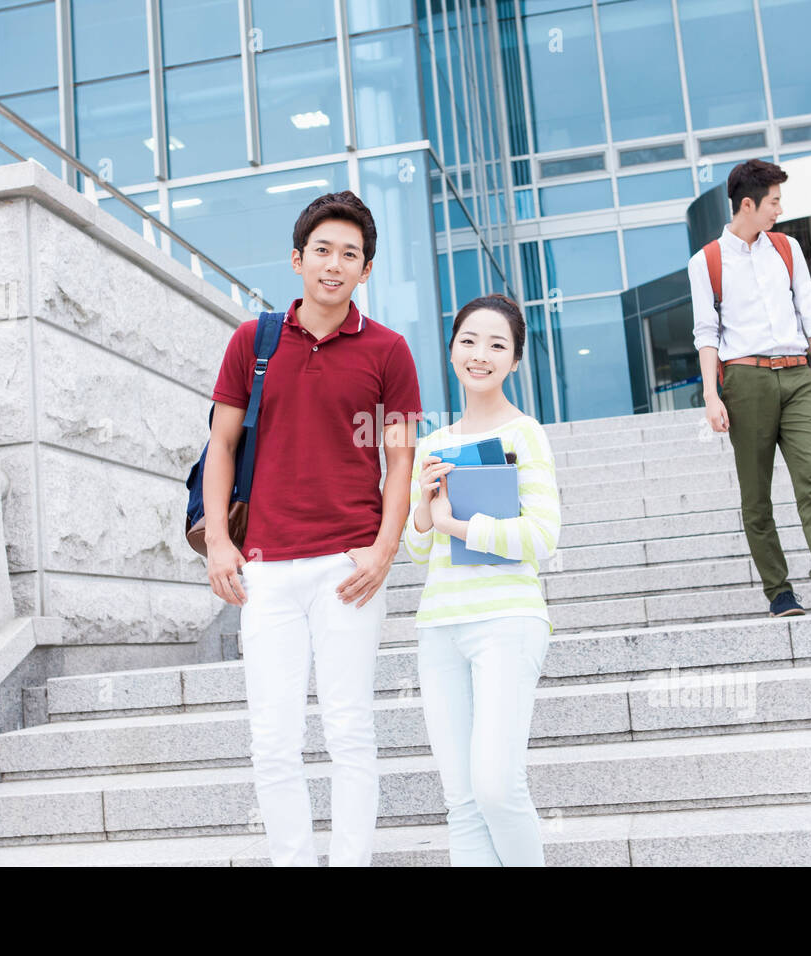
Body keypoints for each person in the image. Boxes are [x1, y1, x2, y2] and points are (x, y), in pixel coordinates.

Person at [202, 190, 422, 866]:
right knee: (272, 739)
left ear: (366, 270)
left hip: (349, 565)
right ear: (298, 260)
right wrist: (217, 540)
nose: (334, 264)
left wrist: (385, 550)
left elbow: (401, 454)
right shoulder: (254, 341)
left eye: (349, 255)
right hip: (265, 568)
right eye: (322, 251)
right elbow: (222, 446)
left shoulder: (389, 350)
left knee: (350, 730)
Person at [403, 293, 560, 866]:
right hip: (440, 626)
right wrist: (425, 507)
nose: (481, 354)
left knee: (496, 785)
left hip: (507, 622)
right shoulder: (433, 444)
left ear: (515, 359)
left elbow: (542, 536)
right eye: (469, 340)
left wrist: (460, 524)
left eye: (498, 344)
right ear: (451, 352)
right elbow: (420, 550)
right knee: (462, 801)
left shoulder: (526, 434)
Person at [688, 159, 811, 618]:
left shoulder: (787, 248)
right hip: (745, 381)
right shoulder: (706, 261)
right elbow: (706, 333)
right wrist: (712, 396)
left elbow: (809, 314)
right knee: (757, 495)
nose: (779, 209)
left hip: (797, 376)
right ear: (747, 204)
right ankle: (778, 591)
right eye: (773, 202)